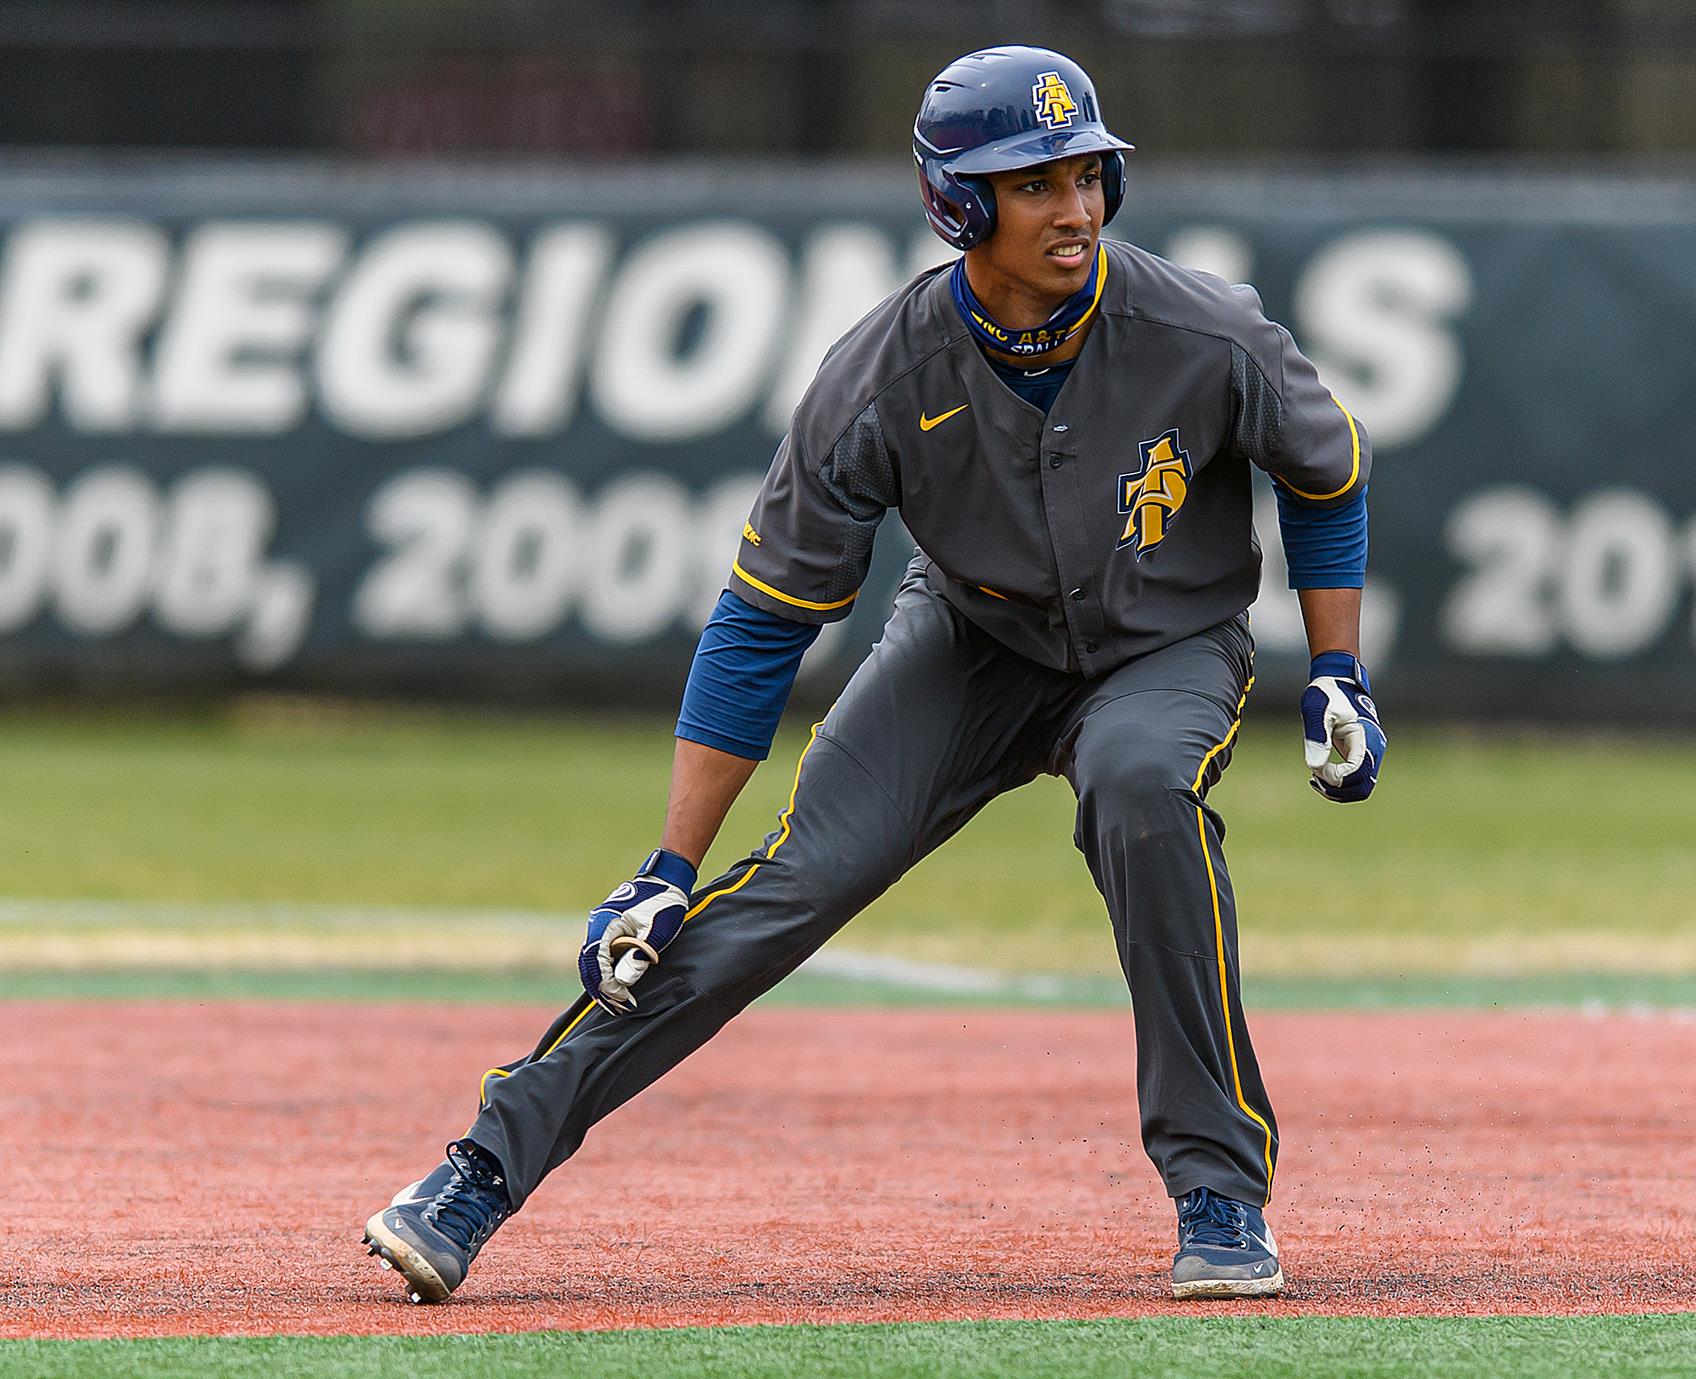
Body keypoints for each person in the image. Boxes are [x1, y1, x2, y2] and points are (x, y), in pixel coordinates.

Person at [362, 43, 1382, 1305]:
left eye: (1087, 175)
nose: (1072, 209)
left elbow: (1326, 477)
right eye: (1035, 182)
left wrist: (1338, 671)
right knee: (797, 882)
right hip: (968, 646)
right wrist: (667, 865)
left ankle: (1217, 1190)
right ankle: (480, 1169)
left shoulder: (1200, 327)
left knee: (1137, 789)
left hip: (1162, 644)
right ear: (959, 204)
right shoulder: (880, 377)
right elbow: (758, 626)